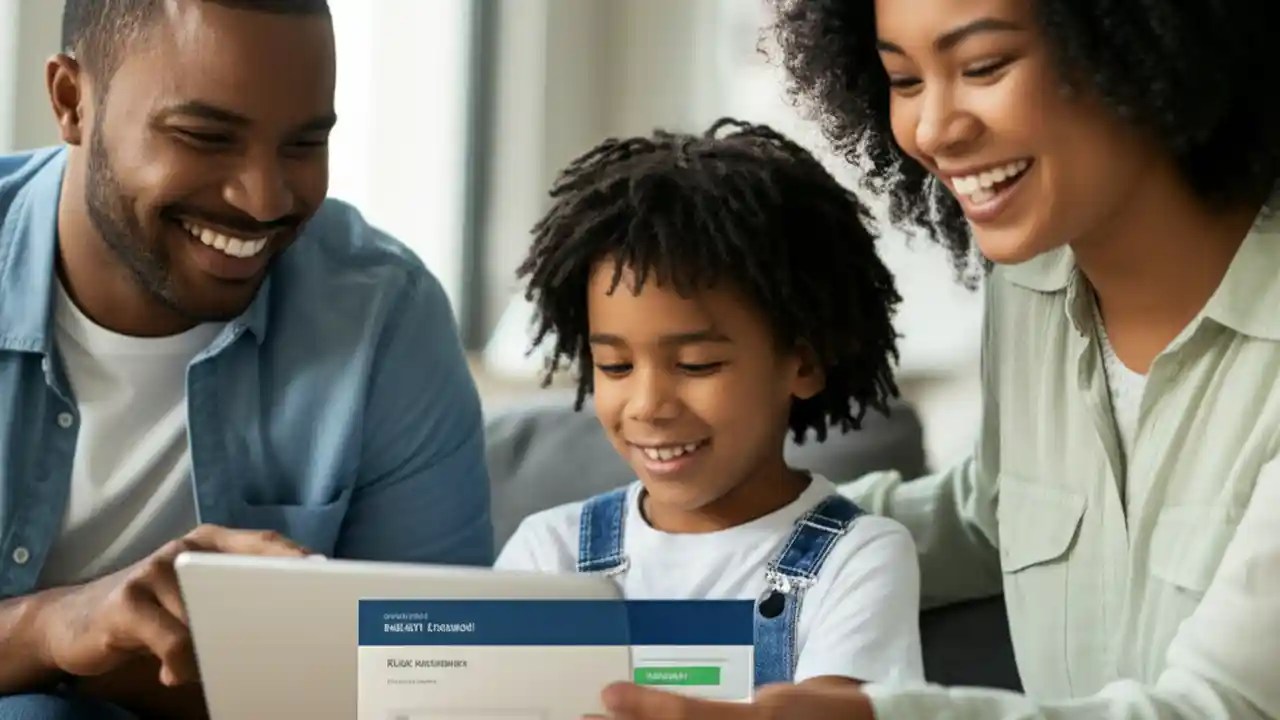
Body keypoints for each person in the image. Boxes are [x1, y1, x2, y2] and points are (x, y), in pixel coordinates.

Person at [591, 0, 1280, 718]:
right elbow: (994, 511)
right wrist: (726, 526)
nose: (933, 129)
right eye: (904, 79)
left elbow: (1222, 707)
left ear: (1144, 47)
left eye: (983, 67)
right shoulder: (1032, 285)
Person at [0, 1, 492, 717]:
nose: (264, 200)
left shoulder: (383, 315)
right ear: (71, 100)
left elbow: (438, 675)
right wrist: (56, 630)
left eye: (302, 146)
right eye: (205, 136)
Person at [496, 118, 924, 689]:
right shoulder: (548, 553)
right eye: (616, 366)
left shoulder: (857, 559)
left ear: (802, 362)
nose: (648, 405)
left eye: (696, 364)